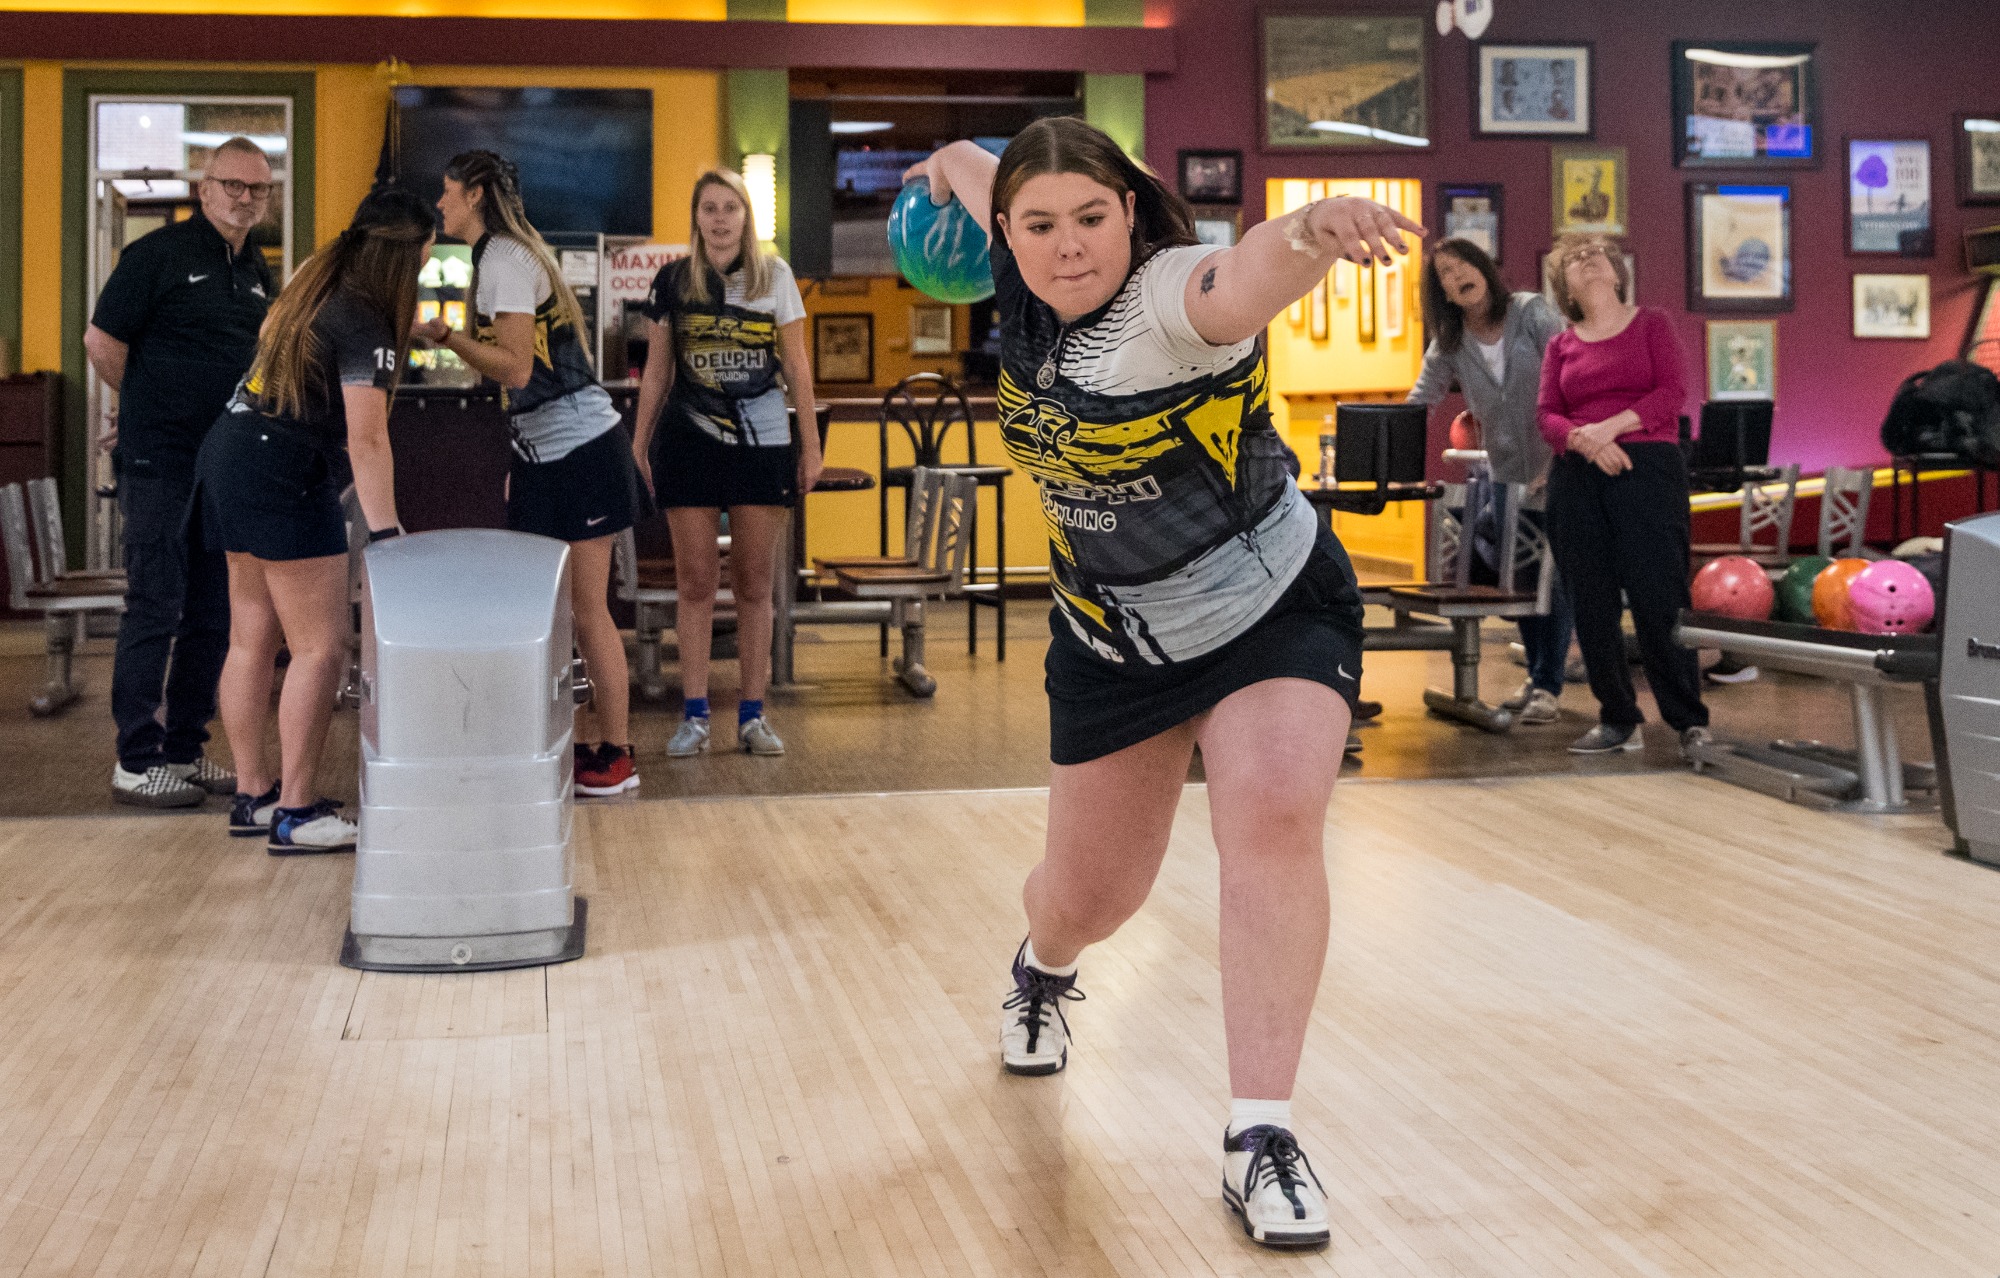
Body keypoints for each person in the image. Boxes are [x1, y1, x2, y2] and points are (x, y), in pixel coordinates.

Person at [906, 118, 1422, 1250]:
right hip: (1113, 643)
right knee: (1090, 899)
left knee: (1272, 818)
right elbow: (974, 168)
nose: (1069, 244)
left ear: (1129, 213)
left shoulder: (1166, 299)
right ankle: (1044, 967)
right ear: (1006, 236)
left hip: (1271, 609)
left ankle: (1259, 1132)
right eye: (1041, 224)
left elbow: (1242, 277)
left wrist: (1312, 230)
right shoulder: (1023, 262)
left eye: (1093, 218)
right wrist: (939, 163)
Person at [196, 187, 435, 853]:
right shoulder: (366, 318)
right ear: (405, 256)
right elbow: (367, 439)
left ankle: (254, 795)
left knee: (250, 639)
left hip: (231, 449)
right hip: (281, 469)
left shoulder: (311, 285)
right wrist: (387, 534)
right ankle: (296, 813)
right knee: (320, 647)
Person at [420, 150, 647, 797]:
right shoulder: (501, 257)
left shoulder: (502, 261)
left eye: (448, 191)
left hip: (583, 452)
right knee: (557, 614)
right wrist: (520, 459)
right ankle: (576, 745)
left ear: (476, 194)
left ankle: (618, 755)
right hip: (545, 455)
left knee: (588, 610)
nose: (440, 204)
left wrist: (447, 337)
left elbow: (516, 368)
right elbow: (524, 382)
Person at [85, 136, 276, 809]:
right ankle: (135, 761)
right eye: (233, 185)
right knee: (156, 602)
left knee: (213, 610)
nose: (245, 198)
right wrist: (143, 406)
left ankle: (183, 751)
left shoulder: (256, 267)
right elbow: (101, 341)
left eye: (258, 188)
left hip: (224, 459)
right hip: (159, 459)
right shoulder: (157, 255)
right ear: (205, 188)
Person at [632, 169, 822, 759]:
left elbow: (797, 366)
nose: (719, 219)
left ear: (746, 216)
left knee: (754, 585)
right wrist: (637, 443)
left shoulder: (776, 276)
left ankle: (752, 715)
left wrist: (811, 445)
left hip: (763, 444)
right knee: (694, 584)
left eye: (730, 208)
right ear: (696, 217)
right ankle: (694, 716)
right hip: (688, 442)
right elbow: (657, 371)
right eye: (709, 208)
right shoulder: (672, 280)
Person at [1535, 233, 1710, 756]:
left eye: (1597, 254)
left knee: (1660, 597)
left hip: (1648, 469)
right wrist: (1586, 444)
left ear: (1617, 272)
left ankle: (1688, 720)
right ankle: (1617, 718)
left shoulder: (1653, 324)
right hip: (1577, 475)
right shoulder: (1560, 345)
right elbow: (1547, 415)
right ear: (1564, 286)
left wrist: (1606, 429)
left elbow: (1671, 393)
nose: (1588, 260)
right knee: (1591, 601)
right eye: (1575, 259)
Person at [1409, 237, 1574, 724]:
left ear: (1483, 268)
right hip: (1505, 477)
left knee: (1552, 579)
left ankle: (1549, 685)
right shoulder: (1450, 342)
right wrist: (1378, 438)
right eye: (1445, 273)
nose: (1458, 275)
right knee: (1518, 579)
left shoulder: (1530, 312)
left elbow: (1571, 373)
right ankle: (1537, 677)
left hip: (1559, 467)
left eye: (1464, 264)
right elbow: (1421, 400)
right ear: (1442, 292)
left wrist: (1560, 456)